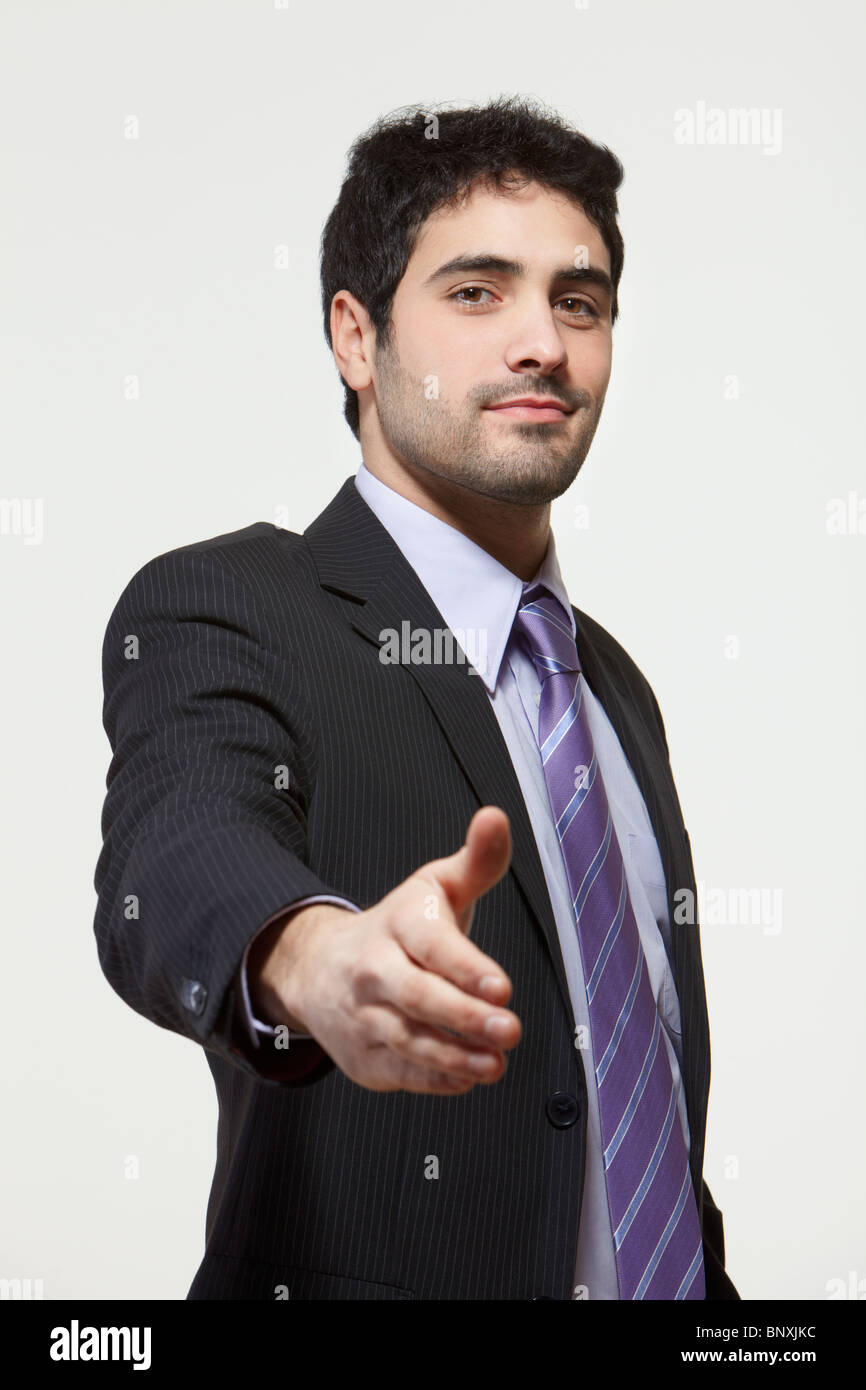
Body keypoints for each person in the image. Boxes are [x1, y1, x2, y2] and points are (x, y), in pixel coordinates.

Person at [94, 95, 738, 1300]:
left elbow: (637, 1123)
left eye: (578, 300)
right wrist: (311, 951)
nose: (541, 341)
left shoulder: (611, 691)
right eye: (476, 292)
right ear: (354, 336)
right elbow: (177, 849)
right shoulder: (235, 603)